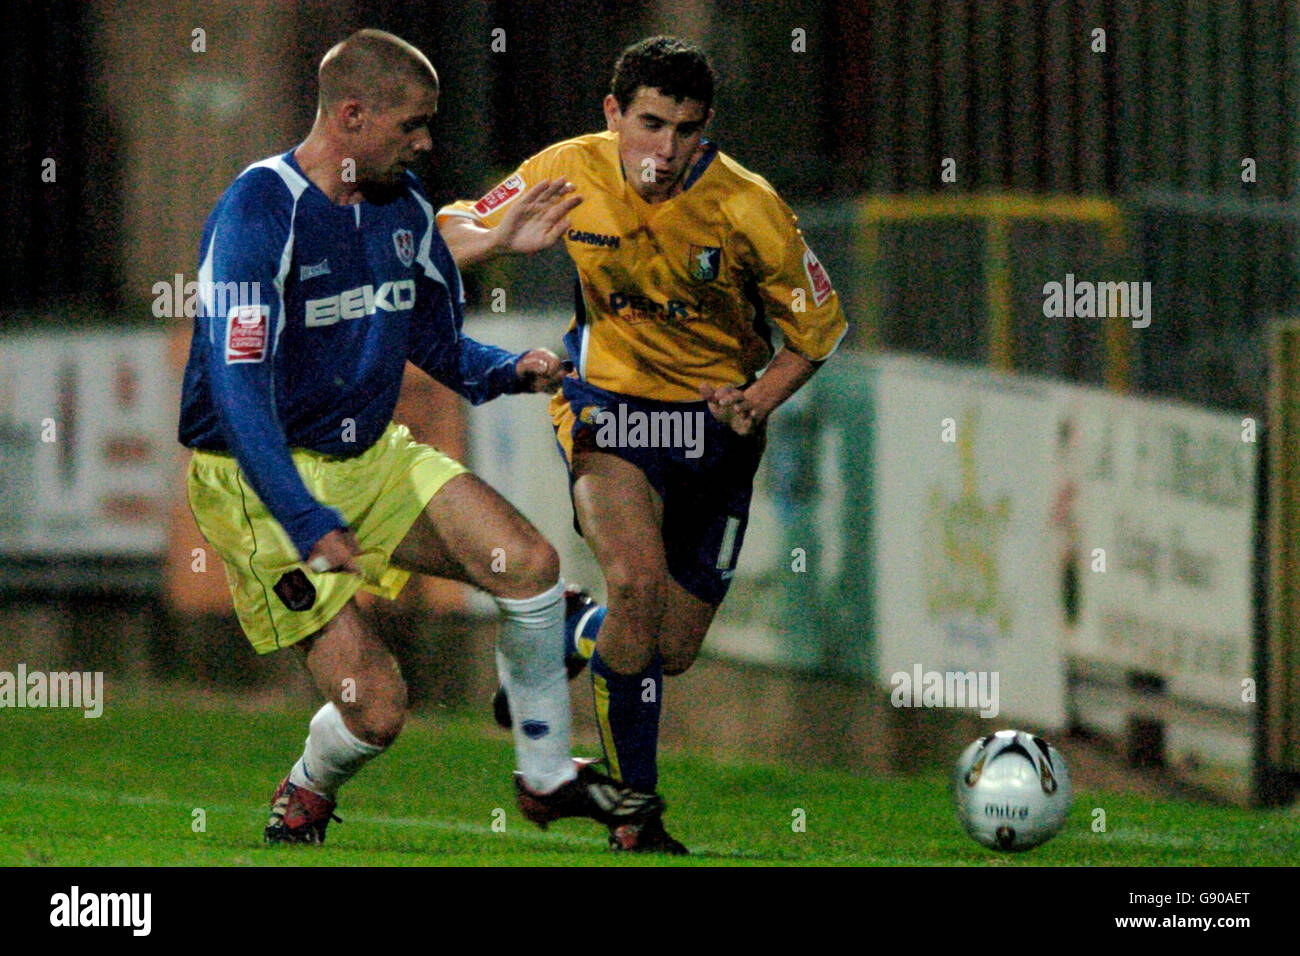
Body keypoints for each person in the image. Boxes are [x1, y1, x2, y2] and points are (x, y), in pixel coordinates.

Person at [177, 29, 661, 846]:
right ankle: (305, 788)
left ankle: (544, 776)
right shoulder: (261, 210)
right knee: (378, 710)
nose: (427, 141)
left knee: (532, 566)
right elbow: (237, 392)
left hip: (370, 458)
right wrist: (302, 517)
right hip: (257, 481)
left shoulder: (404, 211)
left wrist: (514, 370)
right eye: (412, 125)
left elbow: (437, 347)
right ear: (354, 115)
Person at [438, 35, 849, 853]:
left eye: (687, 130)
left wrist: (758, 400)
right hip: (607, 407)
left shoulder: (750, 206)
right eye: (651, 125)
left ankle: (566, 633)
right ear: (613, 115)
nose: (665, 151)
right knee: (636, 583)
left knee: (671, 647)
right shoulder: (569, 167)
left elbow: (819, 329)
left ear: (707, 129)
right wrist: (496, 238)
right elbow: (442, 235)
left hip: (715, 425)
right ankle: (636, 813)